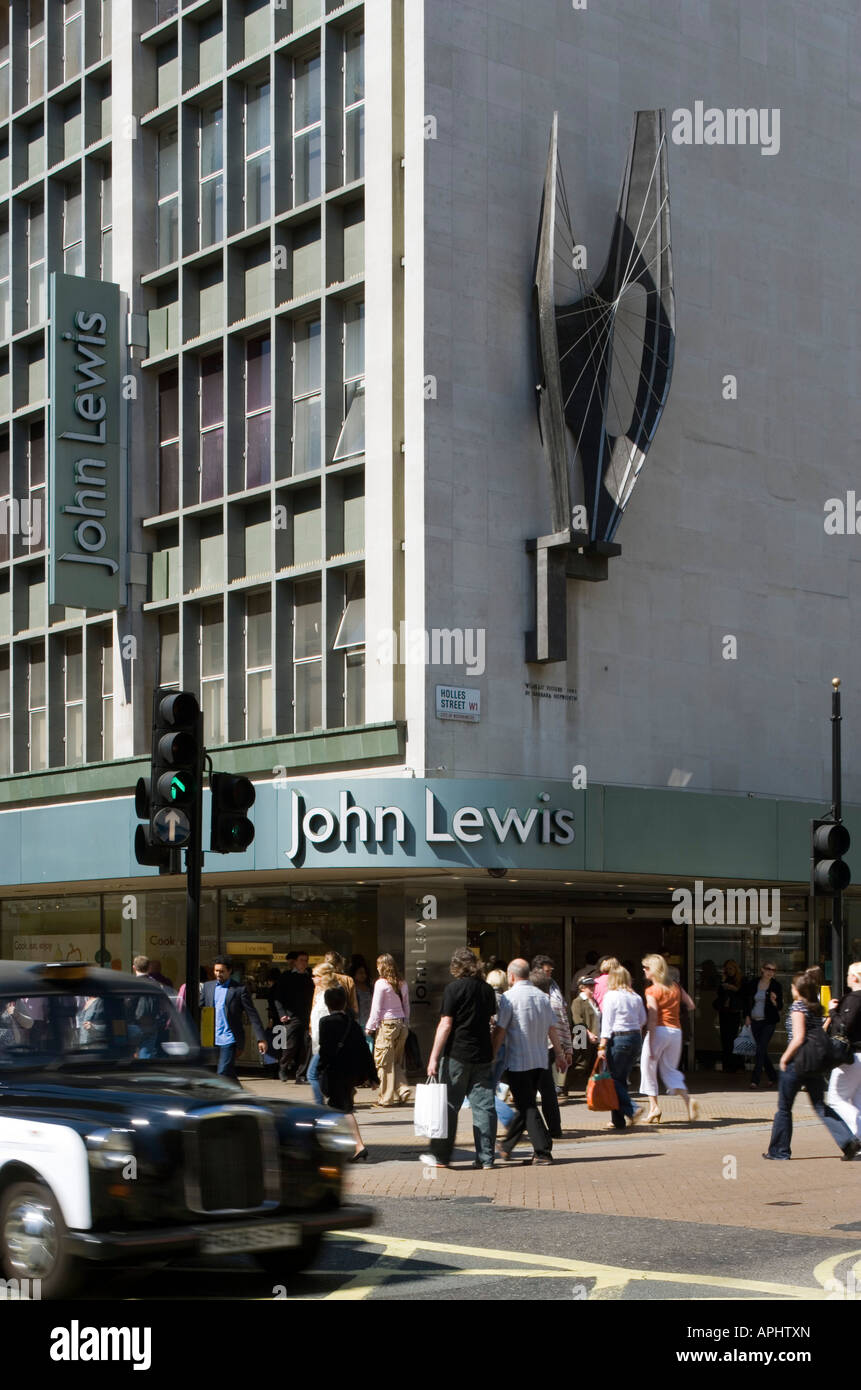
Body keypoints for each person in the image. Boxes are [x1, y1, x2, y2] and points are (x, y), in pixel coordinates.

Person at [764, 970, 860, 1161]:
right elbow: (821, 1031)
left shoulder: (798, 1007)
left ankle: (779, 1151)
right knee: (820, 1105)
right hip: (813, 1064)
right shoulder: (815, 1008)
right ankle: (849, 1143)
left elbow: (798, 1037)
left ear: (797, 989)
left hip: (797, 1062)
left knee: (784, 1108)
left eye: (792, 987)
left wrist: (784, 1058)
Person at [421, 948, 498, 1170]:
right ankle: (486, 1158)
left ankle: (441, 1156)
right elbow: (491, 1023)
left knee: (448, 1106)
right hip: (482, 1054)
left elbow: (446, 1024)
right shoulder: (487, 990)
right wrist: (492, 1051)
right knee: (484, 1107)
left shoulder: (453, 989)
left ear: (456, 967)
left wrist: (433, 1058)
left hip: (457, 1054)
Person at [492, 959, 568, 1165]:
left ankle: (543, 1151)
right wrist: (560, 1054)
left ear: (512, 976)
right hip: (540, 1058)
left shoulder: (509, 997)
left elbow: (500, 1030)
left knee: (527, 1106)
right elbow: (552, 1028)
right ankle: (507, 1146)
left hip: (518, 1060)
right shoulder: (543, 997)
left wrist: (493, 1053)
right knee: (526, 1103)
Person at [640, 954, 698, 1123]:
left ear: (654, 970)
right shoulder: (676, 986)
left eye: (646, 967)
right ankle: (688, 1100)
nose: (644, 970)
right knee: (669, 1070)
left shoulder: (652, 990)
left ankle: (654, 1107)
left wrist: (650, 1042)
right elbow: (691, 1005)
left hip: (658, 1030)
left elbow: (652, 1017)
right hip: (675, 1031)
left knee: (648, 1067)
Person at [318, 985, 373, 1161]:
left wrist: (320, 1068)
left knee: (343, 1109)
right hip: (351, 1073)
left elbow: (325, 1049)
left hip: (335, 1072)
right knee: (338, 1108)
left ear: (327, 1004)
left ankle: (358, 1145)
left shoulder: (325, 1022)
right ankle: (340, 1145)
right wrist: (372, 1075)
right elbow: (364, 1050)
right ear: (344, 1004)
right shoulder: (353, 1024)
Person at [597, 964, 646, 1131]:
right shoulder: (636, 997)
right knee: (620, 1078)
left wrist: (602, 1045)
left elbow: (607, 1022)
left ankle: (632, 1108)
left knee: (612, 1079)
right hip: (635, 1038)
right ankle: (618, 1120)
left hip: (618, 1039)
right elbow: (643, 1019)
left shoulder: (611, 996)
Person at [200, 955, 267, 1079]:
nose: (218, 974)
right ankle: (240, 1096)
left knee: (222, 1072)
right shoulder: (208, 987)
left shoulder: (239, 989)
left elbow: (252, 1015)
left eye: (222, 971)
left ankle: (219, 1098)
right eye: (216, 971)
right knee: (228, 1074)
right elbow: (200, 1009)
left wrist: (261, 1038)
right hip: (211, 1038)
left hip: (229, 1038)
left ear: (229, 971)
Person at [366, 954, 411, 1108]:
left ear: (383, 966)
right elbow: (406, 1006)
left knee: (384, 1063)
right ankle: (403, 1089)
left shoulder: (381, 984)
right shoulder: (402, 983)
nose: (377, 968)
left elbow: (376, 1008)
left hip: (387, 1026)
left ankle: (385, 1098)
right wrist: (406, 1023)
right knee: (395, 1061)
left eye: (378, 965)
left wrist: (370, 1027)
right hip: (401, 1025)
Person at [825, 962, 861, 1141]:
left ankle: (859, 1136)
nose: (847, 977)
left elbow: (843, 1025)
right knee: (857, 1100)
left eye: (848, 974)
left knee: (835, 1098)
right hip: (858, 1056)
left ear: (854, 977)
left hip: (852, 1055)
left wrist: (832, 1011)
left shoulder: (854, 998)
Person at [531, 954, 573, 1103]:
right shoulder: (531, 992)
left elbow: (562, 1018)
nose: (549, 974)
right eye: (547, 971)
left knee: (547, 1087)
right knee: (543, 1086)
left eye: (550, 971)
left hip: (554, 1042)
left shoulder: (554, 988)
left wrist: (567, 1048)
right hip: (538, 1043)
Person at [274, 950, 314, 1082]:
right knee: (290, 1045)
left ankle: (301, 1074)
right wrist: (282, 1014)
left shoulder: (311, 977)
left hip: (308, 1016)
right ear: (295, 962)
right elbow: (278, 996)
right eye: (301, 960)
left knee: (307, 1045)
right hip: (292, 1016)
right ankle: (283, 1067)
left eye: (306, 960)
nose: (304, 963)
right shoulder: (287, 976)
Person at [742, 961, 783, 1088]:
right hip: (755, 1020)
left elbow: (780, 1006)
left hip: (768, 1022)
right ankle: (773, 1076)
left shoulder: (776, 985)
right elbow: (746, 1001)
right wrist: (747, 1016)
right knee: (761, 1051)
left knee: (760, 1049)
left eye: (773, 970)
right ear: (762, 970)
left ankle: (755, 1080)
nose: (771, 972)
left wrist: (774, 1001)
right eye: (768, 969)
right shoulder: (753, 983)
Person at [308, 962, 337, 1104]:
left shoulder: (327, 996)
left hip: (324, 1045)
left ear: (323, 977)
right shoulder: (321, 995)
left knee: (312, 1075)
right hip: (320, 1043)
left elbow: (326, 1021)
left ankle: (319, 1104)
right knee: (321, 1075)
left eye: (315, 976)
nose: (312, 978)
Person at [714, 959, 745, 1073]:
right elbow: (719, 994)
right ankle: (727, 1064)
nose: (729, 971)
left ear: (735, 969)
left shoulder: (740, 980)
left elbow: (744, 995)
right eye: (727, 969)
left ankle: (737, 1064)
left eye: (731, 969)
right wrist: (722, 983)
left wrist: (734, 989)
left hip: (735, 1012)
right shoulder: (724, 979)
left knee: (733, 1038)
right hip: (724, 1011)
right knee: (725, 1038)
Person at [570, 976, 601, 1083]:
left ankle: (591, 1089)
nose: (592, 988)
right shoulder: (578, 1001)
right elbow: (578, 1021)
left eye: (593, 986)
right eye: (589, 986)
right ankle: (564, 1085)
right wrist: (589, 1034)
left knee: (592, 1065)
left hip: (595, 1037)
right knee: (580, 1064)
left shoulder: (594, 1001)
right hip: (581, 1037)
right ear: (582, 988)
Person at [324, 951, 358, 1017]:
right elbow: (354, 1005)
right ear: (340, 963)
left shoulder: (322, 979)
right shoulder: (347, 980)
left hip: (324, 1018)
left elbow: (315, 1002)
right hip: (344, 1018)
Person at [350, 961, 374, 1054]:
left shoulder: (370, 987)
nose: (363, 975)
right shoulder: (353, 988)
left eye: (364, 973)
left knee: (369, 1046)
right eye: (360, 973)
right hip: (358, 1023)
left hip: (370, 1023)